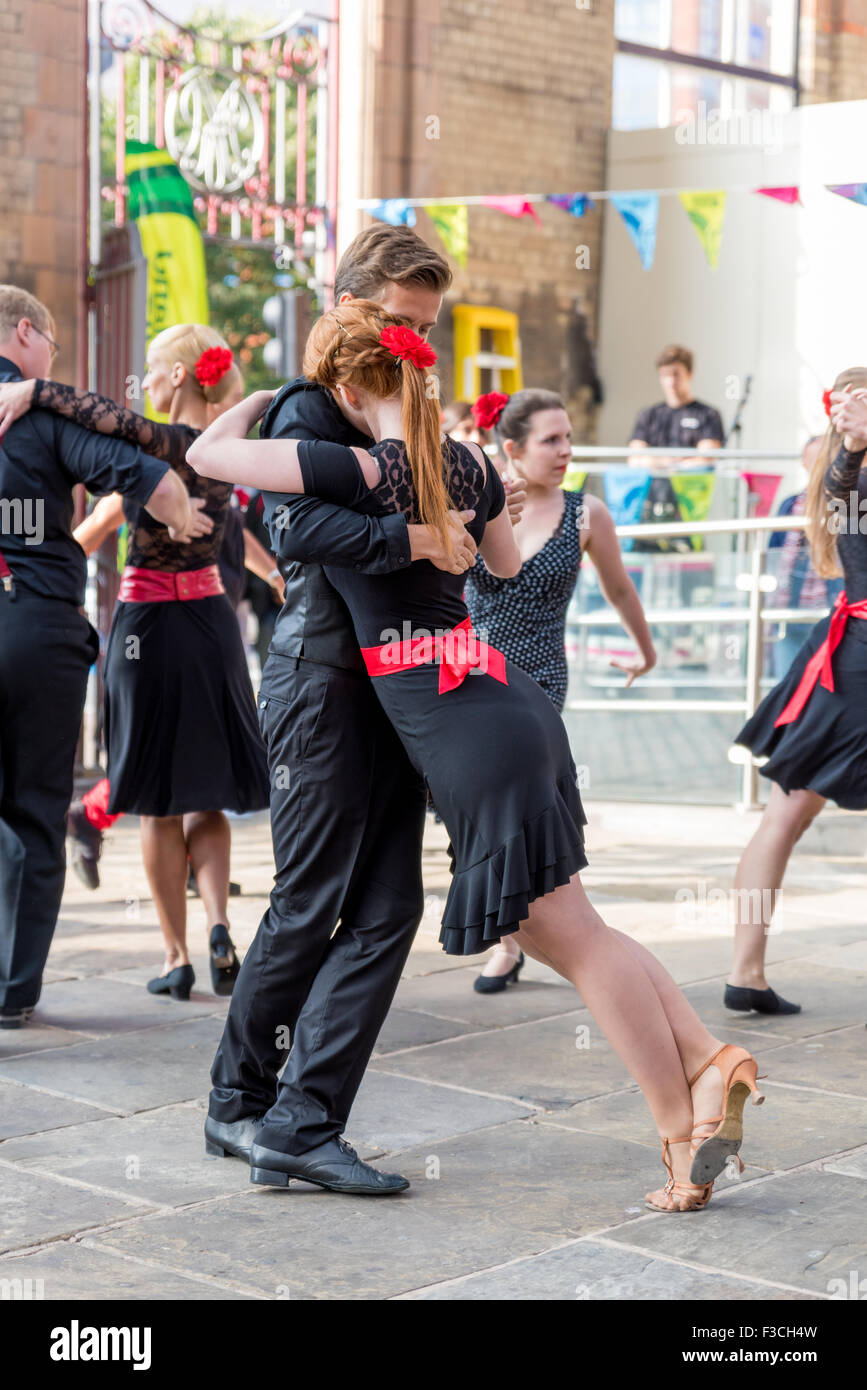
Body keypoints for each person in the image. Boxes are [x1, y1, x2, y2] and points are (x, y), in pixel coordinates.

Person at [189, 300, 766, 1213]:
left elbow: (205, 458)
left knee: (564, 936)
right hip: (506, 698)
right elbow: (497, 568)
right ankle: (705, 1058)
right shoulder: (465, 463)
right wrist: (445, 515)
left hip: (458, 722)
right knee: (568, 924)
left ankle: (678, 1121)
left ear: (345, 388)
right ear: (420, 380)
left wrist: (255, 399)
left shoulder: (350, 466)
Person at [203, 222, 492, 1197]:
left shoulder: (403, 413)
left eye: (427, 329)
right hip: (324, 681)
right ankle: (245, 1103)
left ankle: (293, 1116)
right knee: (311, 898)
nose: (414, 346)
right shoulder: (307, 405)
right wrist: (422, 532)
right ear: (347, 308)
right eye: (399, 322)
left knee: (387, 906)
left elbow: (474, 524)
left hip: (395, 683)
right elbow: (303, 529)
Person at [0, 324, 270, 1001]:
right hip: (211, 623)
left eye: (151, 369)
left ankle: (176, 956)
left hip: (147, 626)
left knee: (154, 801)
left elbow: (100, 438)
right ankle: (216, 926)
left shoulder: (159, 441)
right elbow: (239, 530)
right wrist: (276, 573)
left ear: (177, 377)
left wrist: (37, 389)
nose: (142, 382)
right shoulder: (227, 456)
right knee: (206, 793)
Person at [0, 285, 196, 1029]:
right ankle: (13, 991)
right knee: (35, 807)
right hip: (34, 629)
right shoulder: (46, 417)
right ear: (26, 332)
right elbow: (158, 476)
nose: (51, 355)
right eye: (48, 342)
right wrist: (179, 520)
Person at [464, 388, 657, 992]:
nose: (566, 450)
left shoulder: (586, 514)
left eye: (569, 438)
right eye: (552, 440)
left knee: (518, 810)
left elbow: (621, 589)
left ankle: (512, 940)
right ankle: (516, 935)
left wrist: (646, 652)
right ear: (513, 448)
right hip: (469, 674)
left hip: (540, 681)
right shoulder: (477, 498)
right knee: (482, 812)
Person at [727, 367, 867, 1016]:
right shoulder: (852, 473)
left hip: (840, 654)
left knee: (783, 814)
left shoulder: (843, 476)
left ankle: (744, 971)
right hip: (849, 658)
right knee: (783, 814)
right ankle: (743, 970)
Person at [628, 344, 724, 556]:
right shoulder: (649, 415)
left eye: (676, 374)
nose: (671, 381)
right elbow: (634, 459)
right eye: (665, 375)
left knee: (688, 572)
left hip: (687, 510)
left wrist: (656, 460)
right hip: (649, 506)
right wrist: (680, 460)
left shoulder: (708, 415)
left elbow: (706, 459)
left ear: (690, 374)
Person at [767, 435, 843, 680]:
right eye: (815, 459)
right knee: (787, 684)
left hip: (833, 612)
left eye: (827, 458)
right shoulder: (789, 505)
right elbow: (773, 555)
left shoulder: (849, 503)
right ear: (805, 463)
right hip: (790, 609)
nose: (822, 465)